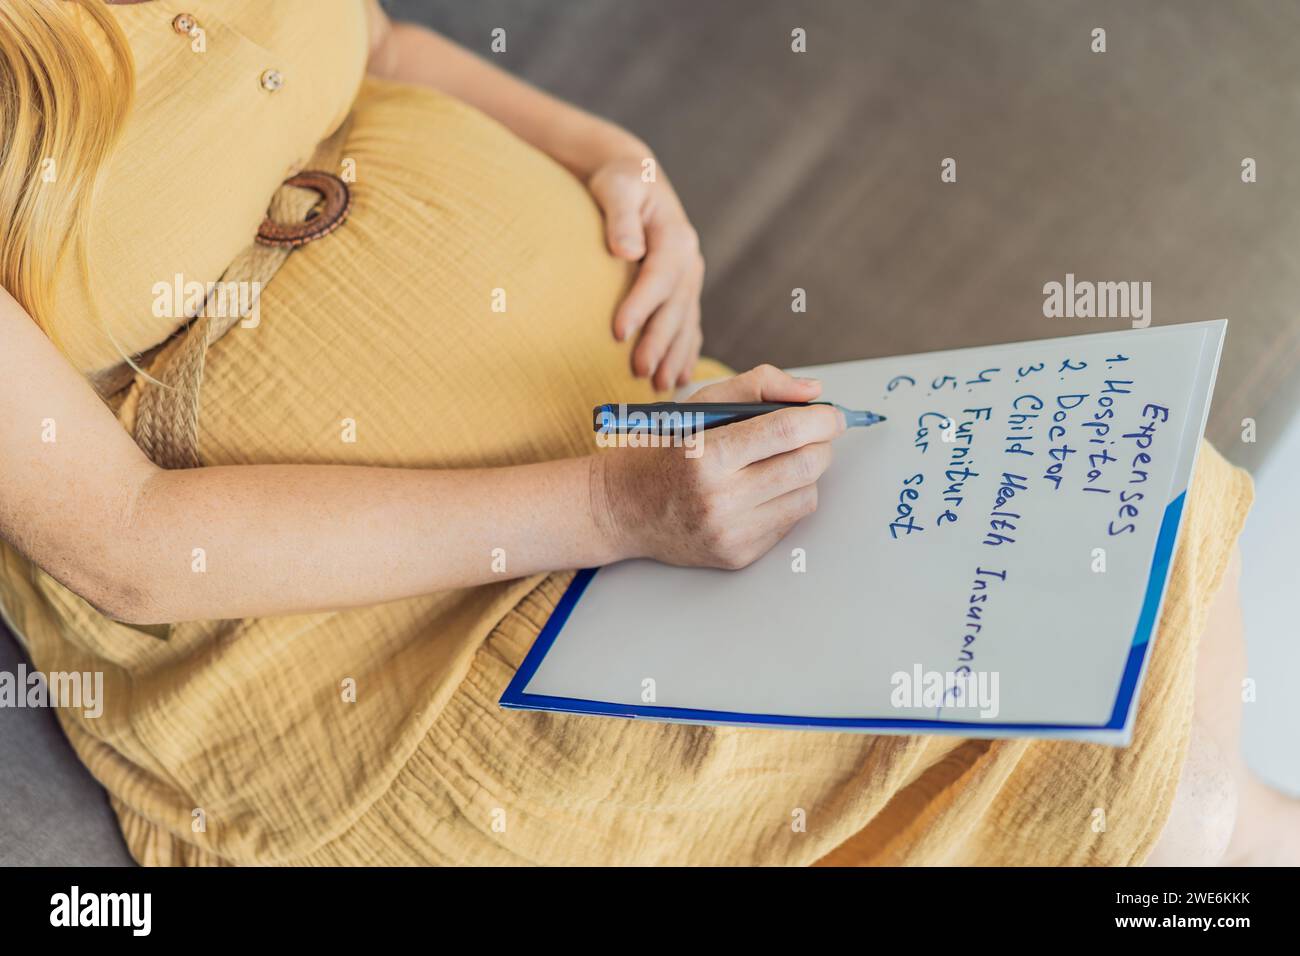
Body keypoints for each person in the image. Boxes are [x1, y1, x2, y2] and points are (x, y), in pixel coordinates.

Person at [0, 0, 1283, 865]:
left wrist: (604, 151)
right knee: (1156, 787)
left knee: (1150, 535)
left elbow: (371, 44)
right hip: (389, 649)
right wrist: (617, 508)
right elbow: (127, 541)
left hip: (653, 436)